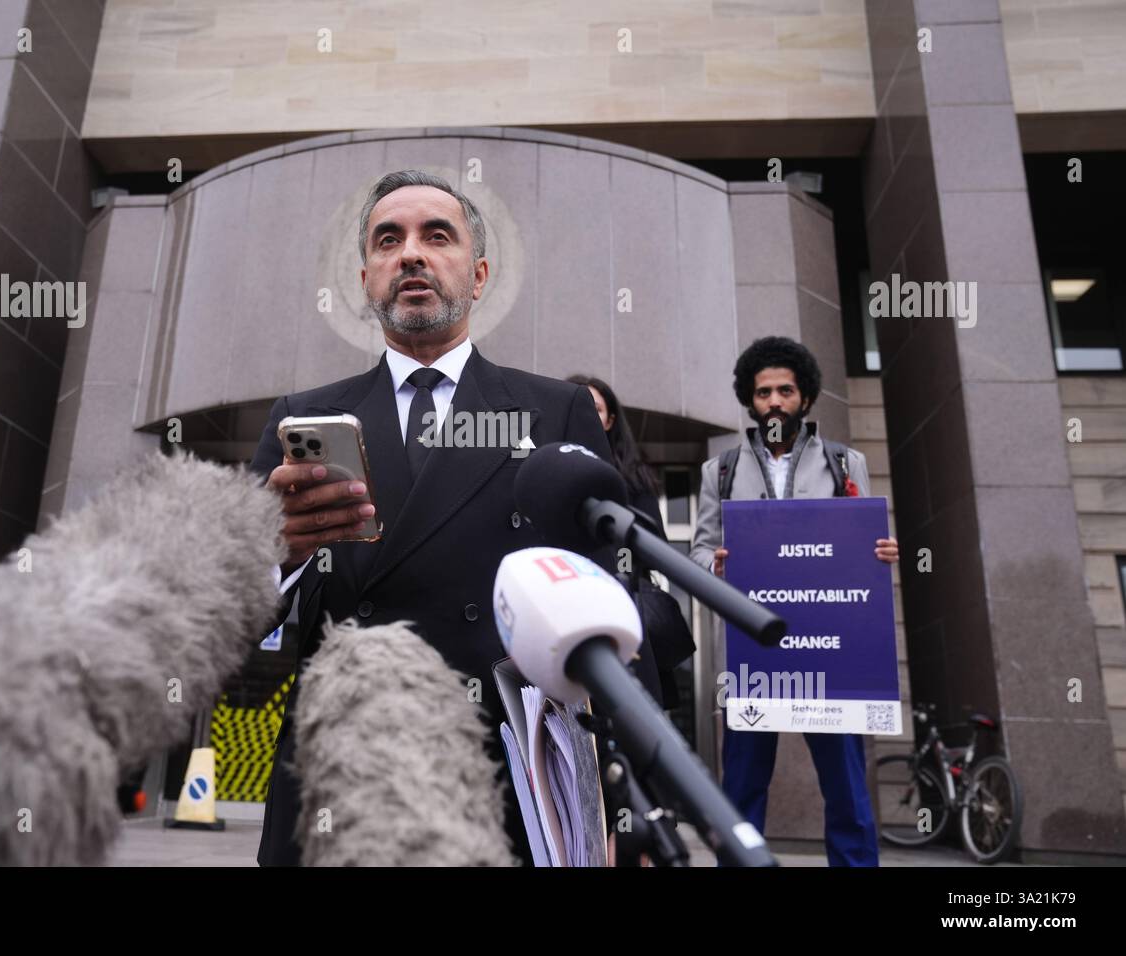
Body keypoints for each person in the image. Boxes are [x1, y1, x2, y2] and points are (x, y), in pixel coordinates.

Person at [249, 170, 612, 866]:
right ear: (367, 279)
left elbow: (624, 607)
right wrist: (279, 554)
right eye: (390, 240)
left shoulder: (554, 412)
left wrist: (613, 804)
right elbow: (234, 618)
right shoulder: (301, 417)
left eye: (435, 236)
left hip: (505, 775)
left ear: (477, 275)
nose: (410, 254)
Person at [691, 336, 898, 867]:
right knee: (741, 787)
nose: (775, 402)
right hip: (751, 652)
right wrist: (714, 562)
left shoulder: (846, 463)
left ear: (805, 398)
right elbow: (696, 555)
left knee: (847, 790)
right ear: (750, 400)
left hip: (830, 653)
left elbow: (864, 543)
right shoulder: (721, 471)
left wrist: (882, 550)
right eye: (764, 393)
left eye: (786, 390)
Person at [568, 374, 694, 710]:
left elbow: (656, 548)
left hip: (625, 616)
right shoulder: (546, 471)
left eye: (595, 408)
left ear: (610, 420)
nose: (587, 415)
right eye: (579, 406)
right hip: (564, 616)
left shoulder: (635, 477)